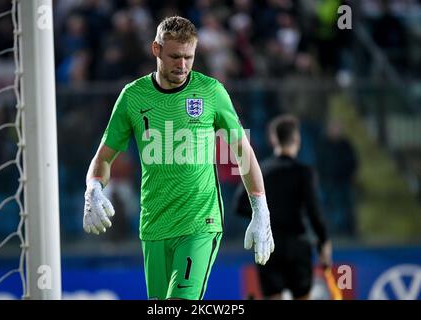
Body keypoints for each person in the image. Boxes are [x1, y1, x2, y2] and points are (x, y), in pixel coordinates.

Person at [82, 16, 274, 300]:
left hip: (200, 223)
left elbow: (242, 151)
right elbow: (104, 157)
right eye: (174, 56)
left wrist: (261, 210)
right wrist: (94, 188)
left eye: (188, 57)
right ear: (156, 49)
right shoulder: (132, 97)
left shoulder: (211, 91)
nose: (182, 65)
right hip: (154, 226)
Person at [234, 114, 331, 300]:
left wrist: (266, 217)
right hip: (298, 245)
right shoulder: (304, 173)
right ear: (297, 139)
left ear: (273, 139)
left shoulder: (261, 171)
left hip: (269, 244)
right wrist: (324, 242)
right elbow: (314, 211)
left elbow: (239, 205)